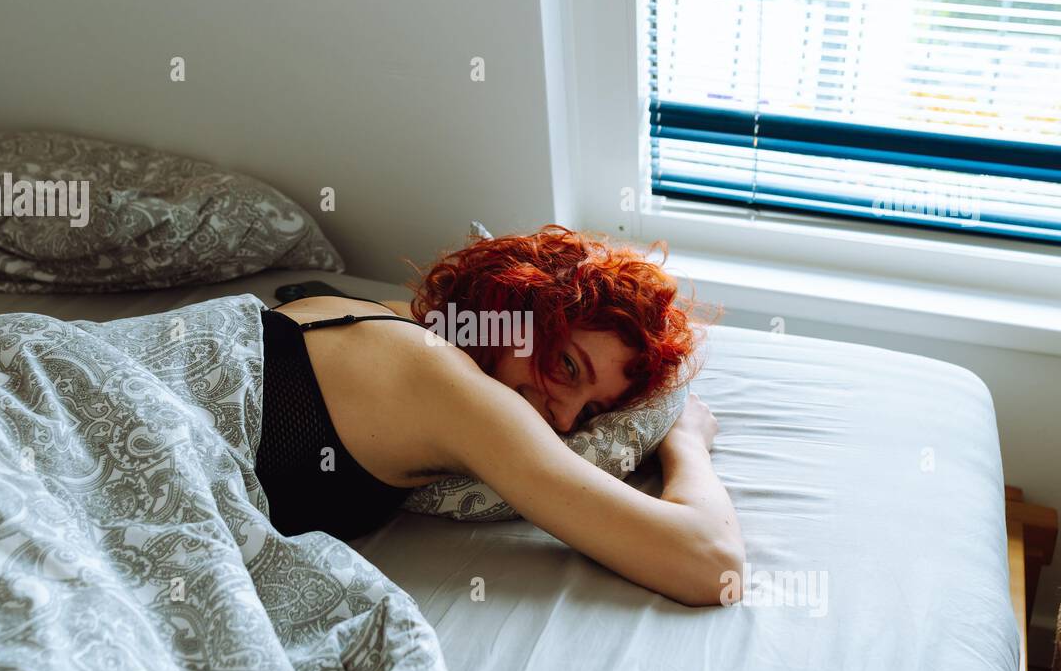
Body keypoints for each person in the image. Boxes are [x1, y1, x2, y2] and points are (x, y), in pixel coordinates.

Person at [254, 225, 743, 607]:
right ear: (515, 309)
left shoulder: (373, 312)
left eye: (592, 410)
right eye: (567, 365)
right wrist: (687, 441)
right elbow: (713, 566)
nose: (567, 420)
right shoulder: (455, 391)